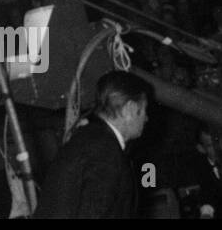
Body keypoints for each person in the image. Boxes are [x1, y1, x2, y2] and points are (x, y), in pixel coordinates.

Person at [33, 70, 150, 218]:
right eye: (144, 110)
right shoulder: (105, 152)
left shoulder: (89, 139)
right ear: (129, 109)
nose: (146, 118)